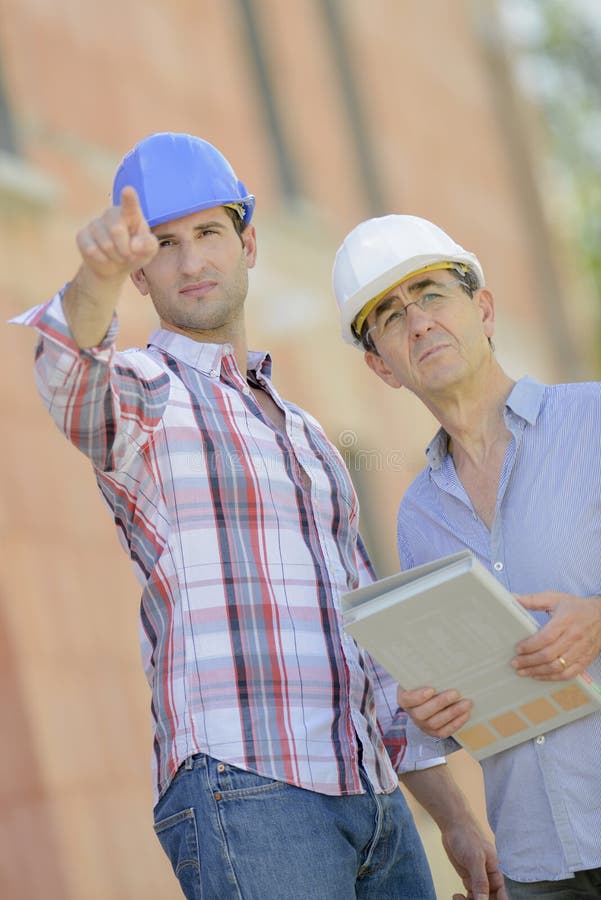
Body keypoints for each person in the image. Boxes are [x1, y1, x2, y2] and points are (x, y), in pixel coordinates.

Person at [11, 133, 506, 900]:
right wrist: (94, 273)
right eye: (163, 245)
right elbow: (71, 379)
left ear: (247, 243)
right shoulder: (145, 397)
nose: (190, 262)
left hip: (370, 797)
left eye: (208, 233)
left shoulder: (306, 437)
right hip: (247, 787)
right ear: (139, 275)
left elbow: (372, 648)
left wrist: (453, 818)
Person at [332, 213, 601, 900]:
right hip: (536, 861)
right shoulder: (417, 516)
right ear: (379, 366)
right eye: (389, 317)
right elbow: (451, 696)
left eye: (430, 294)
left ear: (481, 309)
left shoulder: (592, 421)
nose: (417, 323)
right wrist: (429, 717)